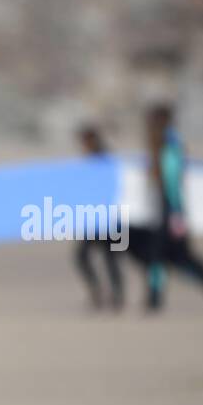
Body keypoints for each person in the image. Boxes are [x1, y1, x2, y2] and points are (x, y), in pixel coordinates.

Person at [142, 104, 203, 314]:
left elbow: (172, 181)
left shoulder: (169, 143)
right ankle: (155, 299)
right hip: (169, 209)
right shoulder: (165, 143)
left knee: (174, 257)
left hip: (172, 209)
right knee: (165, 257)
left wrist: (176, 214)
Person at [73, 125, 124, 312]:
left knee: (109, 258)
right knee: (90, 257)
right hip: (95, 219)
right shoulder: (96, 161)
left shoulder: (102, 162)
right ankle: (103, 293)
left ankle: (113, 295)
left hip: (107, 218)